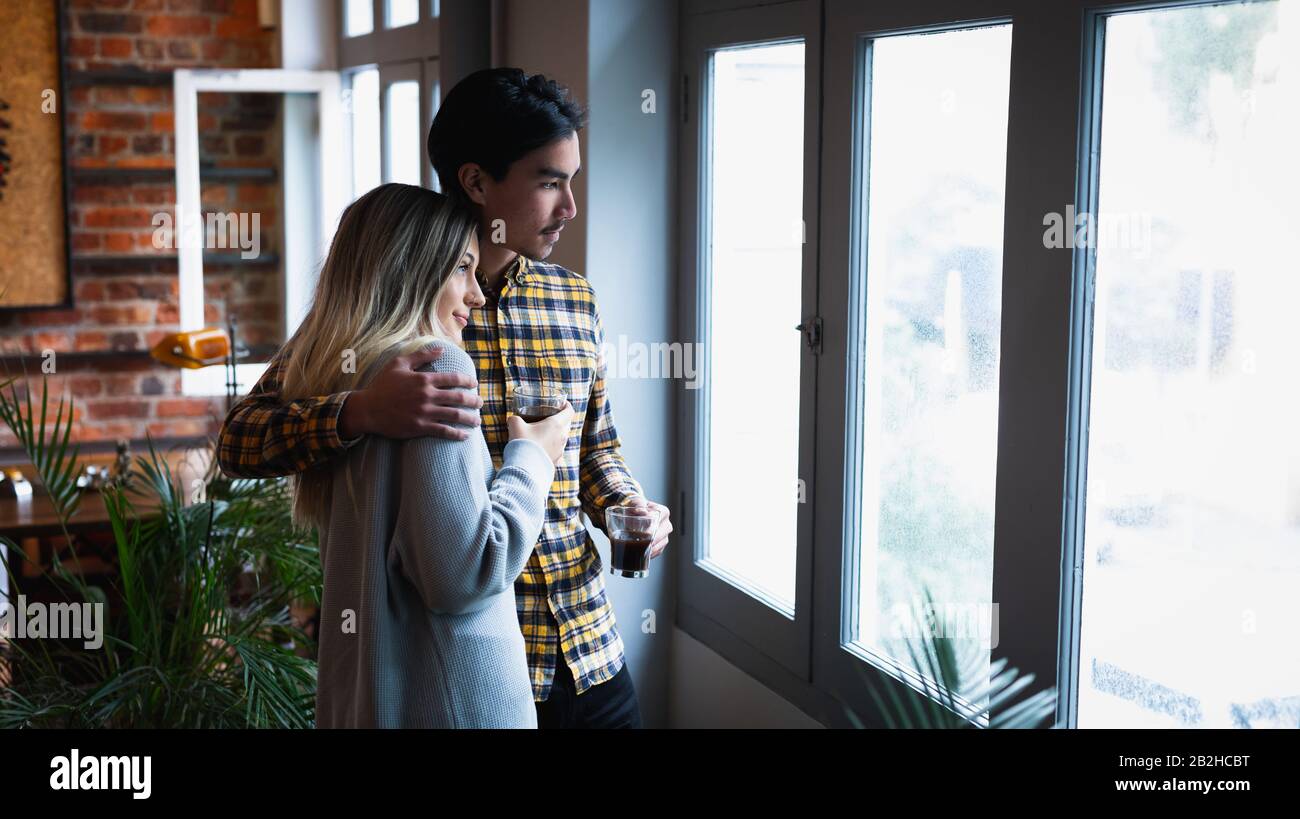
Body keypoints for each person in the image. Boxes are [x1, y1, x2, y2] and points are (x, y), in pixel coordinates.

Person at [219, 68, 672, 728]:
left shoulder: (576, 298)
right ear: (476, 181)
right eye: (550, 181)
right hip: (465, 677)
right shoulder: (391, 310)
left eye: (571, 179)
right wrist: (359, 410)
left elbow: (593, 453)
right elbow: (239, 439)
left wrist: (629, 505)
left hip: (589, 655)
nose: (571, 206)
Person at [287, 182, 575, 727]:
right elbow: (461, 576)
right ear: (412, 272)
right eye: (463, 269)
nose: (478, 294)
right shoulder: (436, 367)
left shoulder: (332, 372)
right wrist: (533, 457)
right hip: (454, 703)